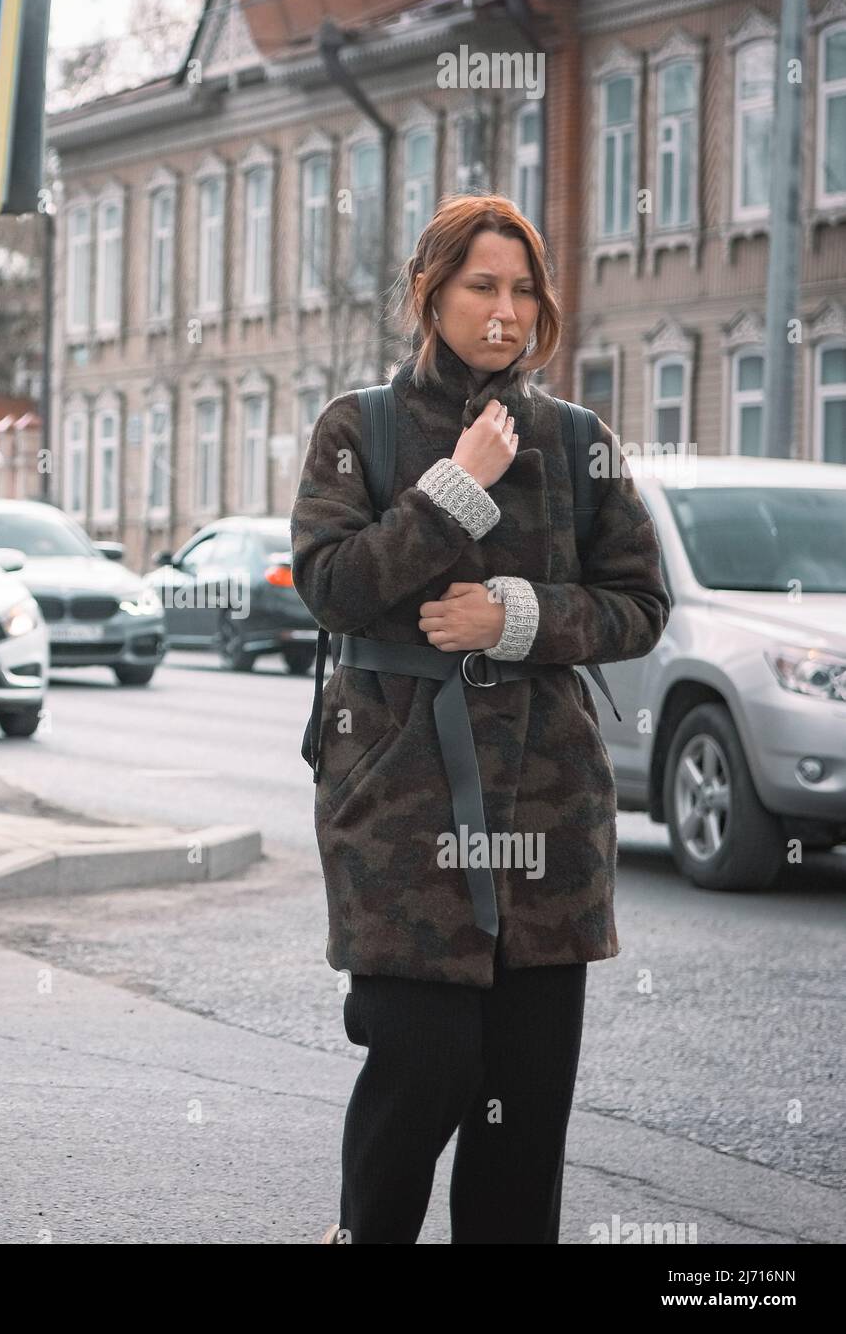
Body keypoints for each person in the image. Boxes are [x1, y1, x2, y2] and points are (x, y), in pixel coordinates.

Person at [290, 193, 671, 1244]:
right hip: (401, 802)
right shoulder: (358, 428)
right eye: (480, 287)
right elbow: (330, 587)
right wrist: (456, 488)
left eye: (521, 290)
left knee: (521, 1110)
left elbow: (641, 605)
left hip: (547, 809)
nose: (504, 312)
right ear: (430, 294)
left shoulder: (579, 440)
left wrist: (517, 616)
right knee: (425, 1060)